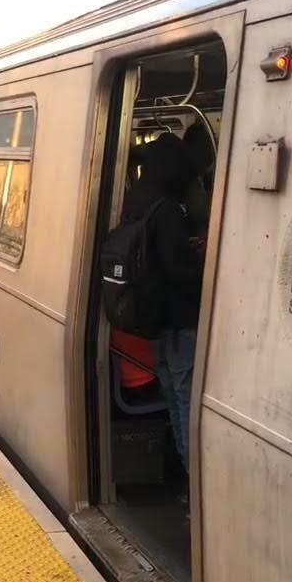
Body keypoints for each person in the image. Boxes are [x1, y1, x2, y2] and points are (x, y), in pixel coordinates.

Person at [120, 132, 204, 475]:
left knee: (172, 391)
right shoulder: (168, 208)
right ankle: (190, 472)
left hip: (153, 317)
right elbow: (179, 271)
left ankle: (185, 466)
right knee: (187, 398)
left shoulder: (137, 199)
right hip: (179, 318)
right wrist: (203, 260)